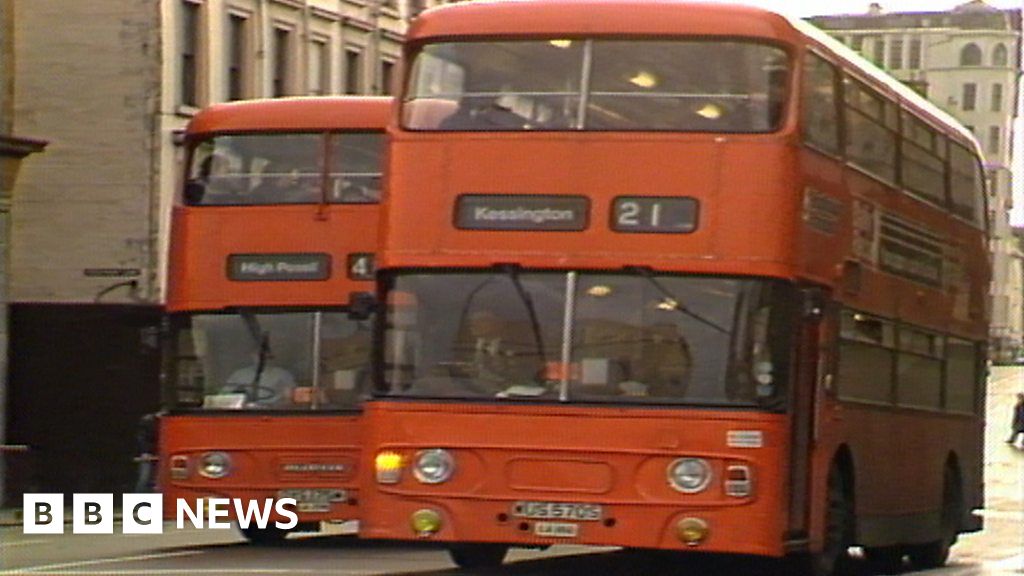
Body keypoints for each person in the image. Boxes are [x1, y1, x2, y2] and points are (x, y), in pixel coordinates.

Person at [222, 353, 296, 407]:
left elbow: (290, 398)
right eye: (257, 354)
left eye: (263, 355)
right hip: (245, 414)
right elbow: (226, 395)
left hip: (275, 413)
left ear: (269, 357)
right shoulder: (239, 374)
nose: (261, 358)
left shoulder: (283, 374)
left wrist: (277, 406)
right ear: (252, 355)